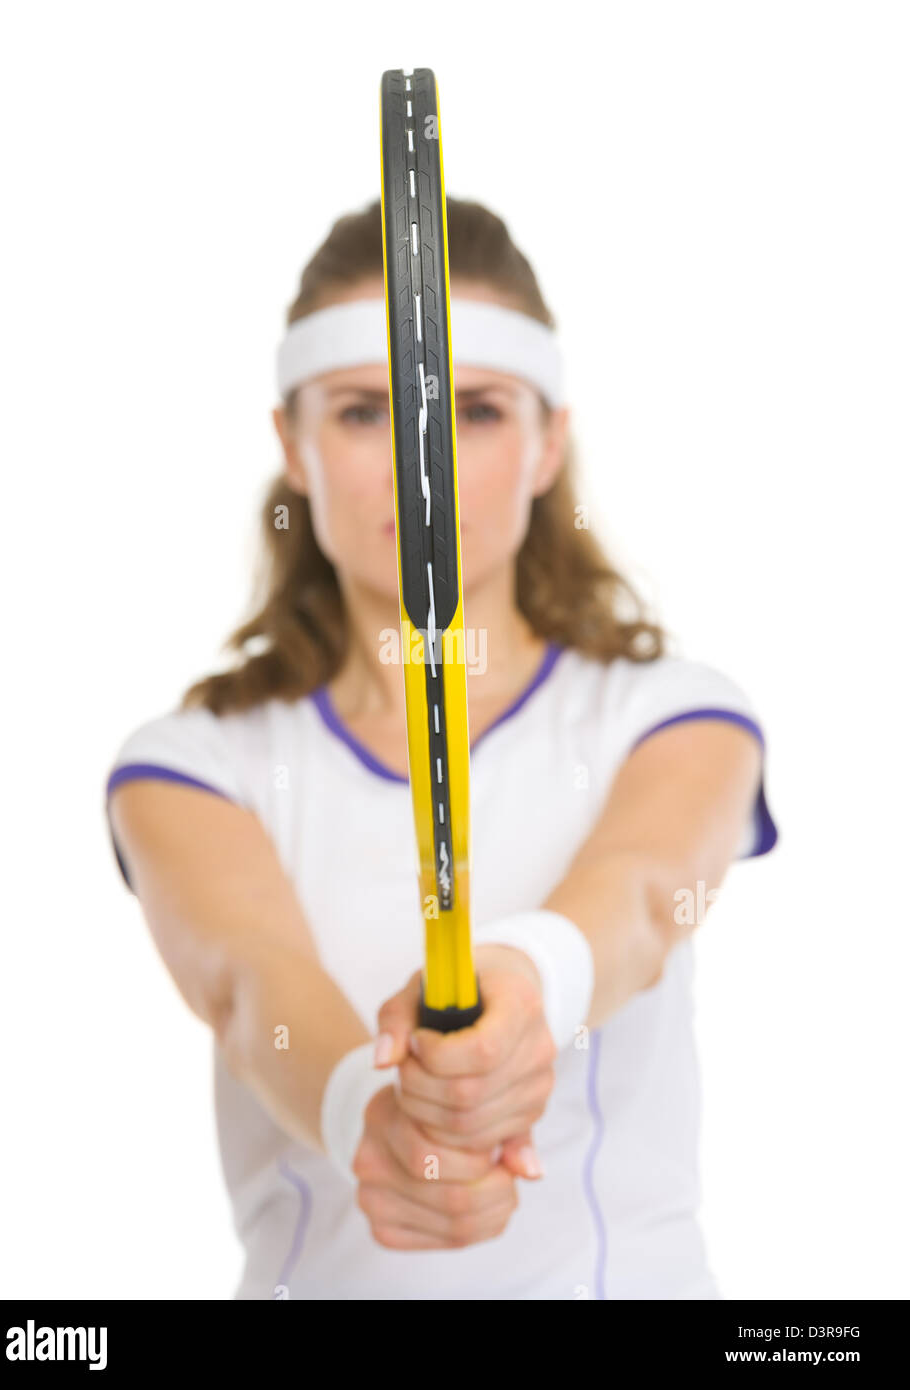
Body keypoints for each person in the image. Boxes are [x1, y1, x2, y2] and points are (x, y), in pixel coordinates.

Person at [104, 195, 778, 1300]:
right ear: (294, 443)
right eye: (367, 411)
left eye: (476, 410)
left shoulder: (679, 715)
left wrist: (528, 981)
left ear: (551, 437)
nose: (425, 463)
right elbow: (247, 986)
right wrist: (364, 1114)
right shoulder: (189, 763)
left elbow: (652, 896)